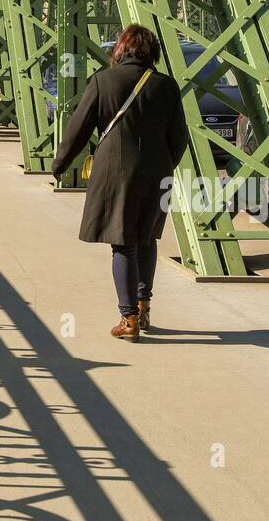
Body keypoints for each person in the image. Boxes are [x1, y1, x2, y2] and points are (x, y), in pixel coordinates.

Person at [51, 24, 188, 342]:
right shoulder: (166, 86)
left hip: (115, 173)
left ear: (121, 49)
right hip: (157, 174)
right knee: (147, 238)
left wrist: (60, 163)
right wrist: (163, 164)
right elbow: (179, 137)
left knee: (123, 241)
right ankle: (143, 306)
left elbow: (79, 128)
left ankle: (129, 319)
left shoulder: (103, 81)